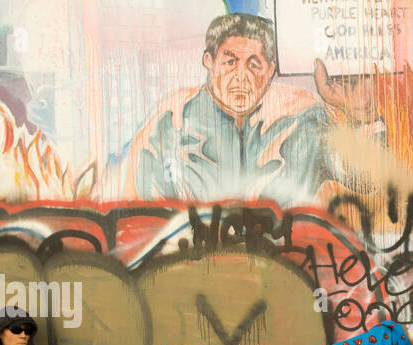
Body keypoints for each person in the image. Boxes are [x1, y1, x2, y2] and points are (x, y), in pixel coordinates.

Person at [124, 13, 337, 206]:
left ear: (271, 70)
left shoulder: (303, 115)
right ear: (209, 61)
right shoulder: (173, 118)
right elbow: (142, 208)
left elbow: (358, 174)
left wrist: (352, 112)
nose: (241, 76)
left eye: (254, 65)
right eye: (230, 62)